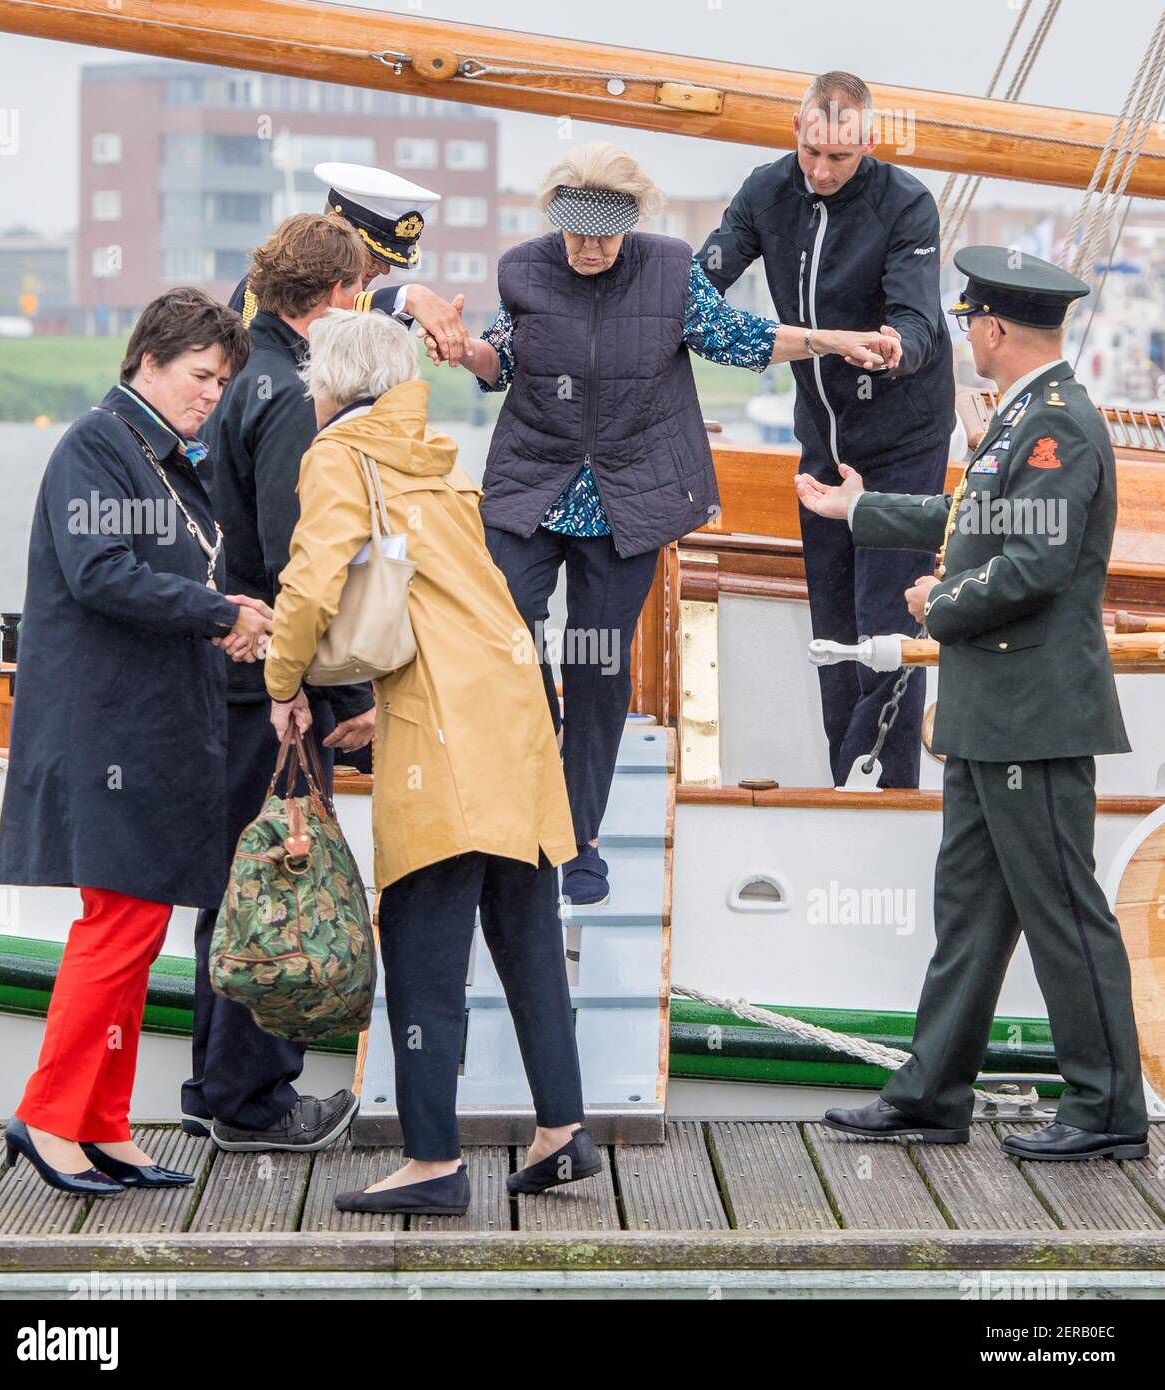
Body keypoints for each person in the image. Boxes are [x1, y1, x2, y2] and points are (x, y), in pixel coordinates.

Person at [435, 141, 899, 906]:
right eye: (574, 233)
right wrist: (466, 352)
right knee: (507, 632)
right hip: (533, 482)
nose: (586, 248)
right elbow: (505, 364)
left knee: (598, 661)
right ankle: (537, 758)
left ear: (632, 223)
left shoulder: (667, 268)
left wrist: (835, 340)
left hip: (632, 491)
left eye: (602, 235)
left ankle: (576, 837)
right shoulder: (522, 267)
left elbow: (744, 339)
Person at [797, 247, 1149, 1162]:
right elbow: (975, 520)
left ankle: (1109, 1109)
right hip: (993, 715)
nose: (967, 338)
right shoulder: (1022, 419)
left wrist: (936, 607)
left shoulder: (1058, 427)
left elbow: (1037, 564)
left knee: (1063, 910)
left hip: (1033, 713)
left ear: (992, 328)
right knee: (973, 911)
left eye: (968, 324)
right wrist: (857, 511)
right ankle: (930, 1094)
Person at [263, 308, 600, 1215]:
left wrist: (282, 678)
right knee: (524, 933)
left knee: (420, 939)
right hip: (513, 708)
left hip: (445, 730)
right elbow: (456, 598)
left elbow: (312, 581)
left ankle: (431, 1161)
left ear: (329, 381)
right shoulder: (436, 456)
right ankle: (564, 1131)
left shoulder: (340, 453)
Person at [0, 288, 263, 1195]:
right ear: (147, 360)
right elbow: (99, 572)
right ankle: (47, 1117)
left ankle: (104, 1122)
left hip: (147, 727)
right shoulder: (97, 444)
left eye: (222, 382)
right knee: (117, 927)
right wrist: (217, 609)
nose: (210, 396)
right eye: (199, 376)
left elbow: (168, 573)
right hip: (103, 729)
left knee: (139, 928)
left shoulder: (162, 457)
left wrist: (220, 611)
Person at [180, 212, 379, 1153]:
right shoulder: (291, 397)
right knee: (278, 882)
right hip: (268, 675)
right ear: (337, 297)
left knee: (232, 879)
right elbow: (304, 558)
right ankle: (253, 1101)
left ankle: (208, 1080)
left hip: (215, 663)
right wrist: (339, 695)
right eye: (364, 291)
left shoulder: (227, 379)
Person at [698, 71, 955, 789]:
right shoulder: (766, 191)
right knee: (833, 620)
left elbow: (917, 316)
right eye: (812, 152)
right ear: (797, 133)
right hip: (823, 437)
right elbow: (705, 277)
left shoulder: (905, 203)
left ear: (867, 145)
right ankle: (848, 783)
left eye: (839, 158)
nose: (821, 171)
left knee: (887, 620)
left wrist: (896, 346)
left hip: (903, 441)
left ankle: (886, 788)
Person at [231, 162, 471, 368]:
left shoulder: (359, 307)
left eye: (387, 260)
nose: (383, 269)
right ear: (334, 227)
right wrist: (406, 297)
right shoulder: (267, 283)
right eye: (370, 251)